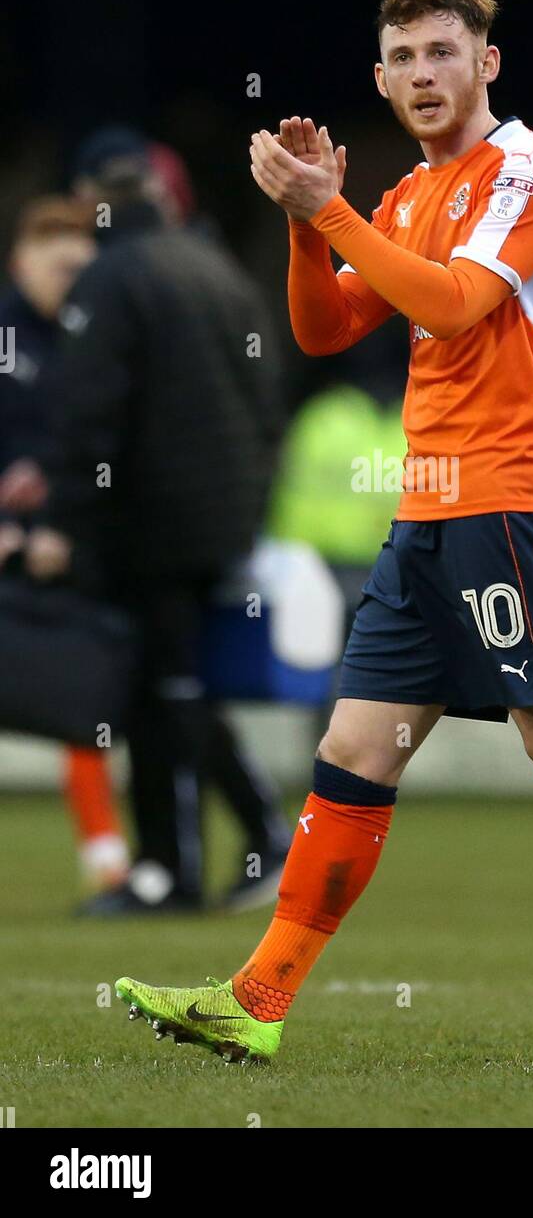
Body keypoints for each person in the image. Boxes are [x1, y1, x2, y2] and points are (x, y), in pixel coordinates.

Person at [115, 0, 533, 1072]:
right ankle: (258, 996)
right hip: (425, 512)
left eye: (445, 52)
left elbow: (454, 303)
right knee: (354, 748)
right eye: (404, 58)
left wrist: (324, 206)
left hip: (513, 502)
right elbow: (329, 327)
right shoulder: (410, 196)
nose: (425, 73)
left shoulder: (532, 169)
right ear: (379, 80)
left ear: (488, 63)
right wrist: (305, 231)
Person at [33, 127, 291, 914]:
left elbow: (88, 417)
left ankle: (167, 871)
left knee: (156, 694)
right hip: (218, 522)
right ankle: (259, 834)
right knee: (181, 687)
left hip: (148, 527)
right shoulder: (214, 268)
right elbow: (266, 402)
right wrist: (247, 511)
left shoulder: (112, 279)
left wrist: (64, 520)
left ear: (88, 202)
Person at [0, 196, 132, 892]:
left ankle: (107, 856)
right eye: (60, 266)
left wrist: (65, 521)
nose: (71, 280)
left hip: (66, 553)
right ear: (23, 261)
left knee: (85, 694)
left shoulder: (92, 335)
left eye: (84, 267)